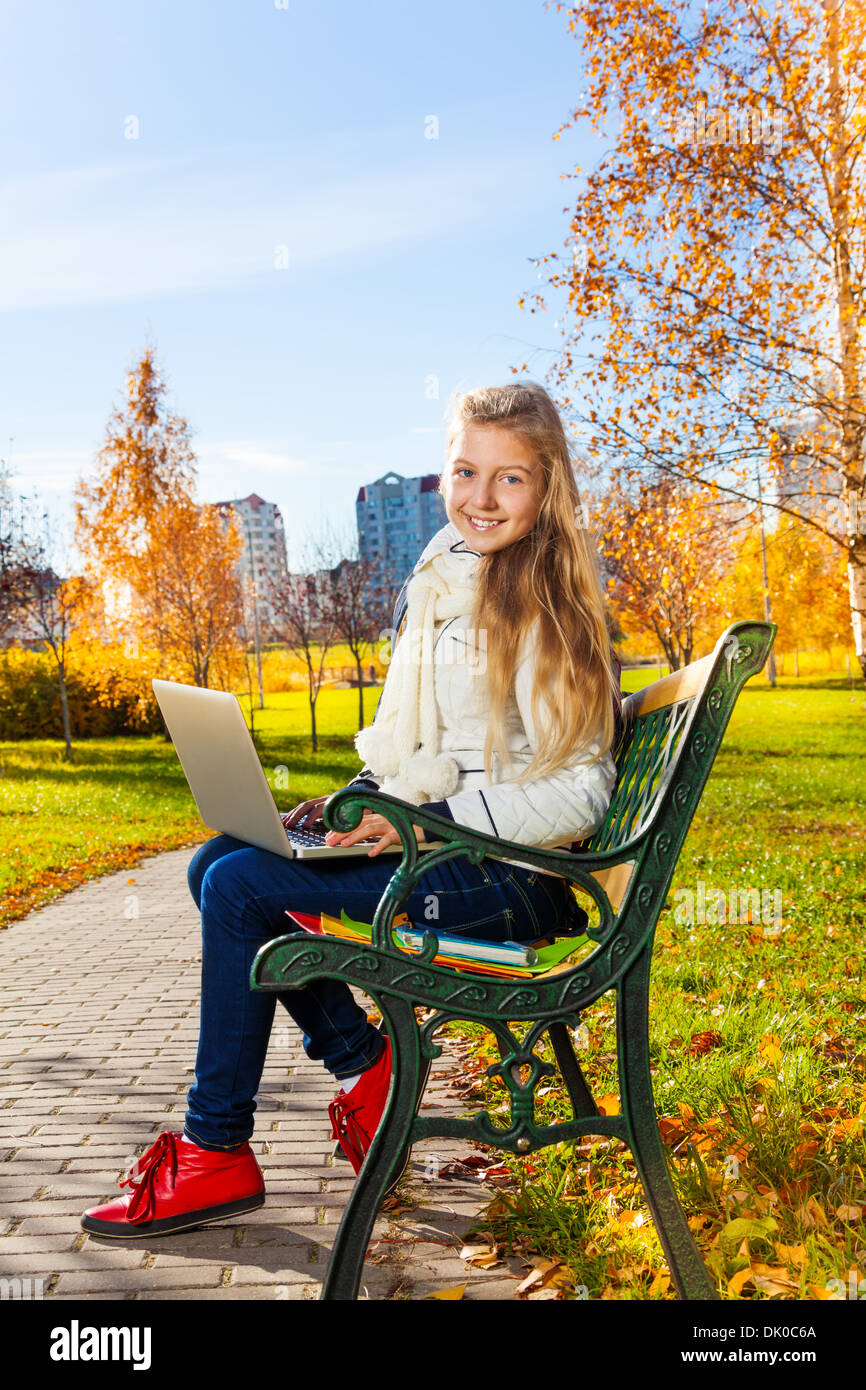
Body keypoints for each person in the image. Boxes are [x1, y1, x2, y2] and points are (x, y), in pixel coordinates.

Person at [80, 381, 621, 1238]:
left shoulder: (547, 605)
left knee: (241, 891)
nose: (481, 498)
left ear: (548, 485)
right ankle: (368, 1074)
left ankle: (216, 1149)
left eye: (510, 479)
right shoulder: (449, 576)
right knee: (218, 861)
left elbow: (581, 789)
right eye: (465, 471)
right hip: (454, 852)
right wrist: (353, 805)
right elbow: (423, 744)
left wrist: (435, 818)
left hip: (518, 883)